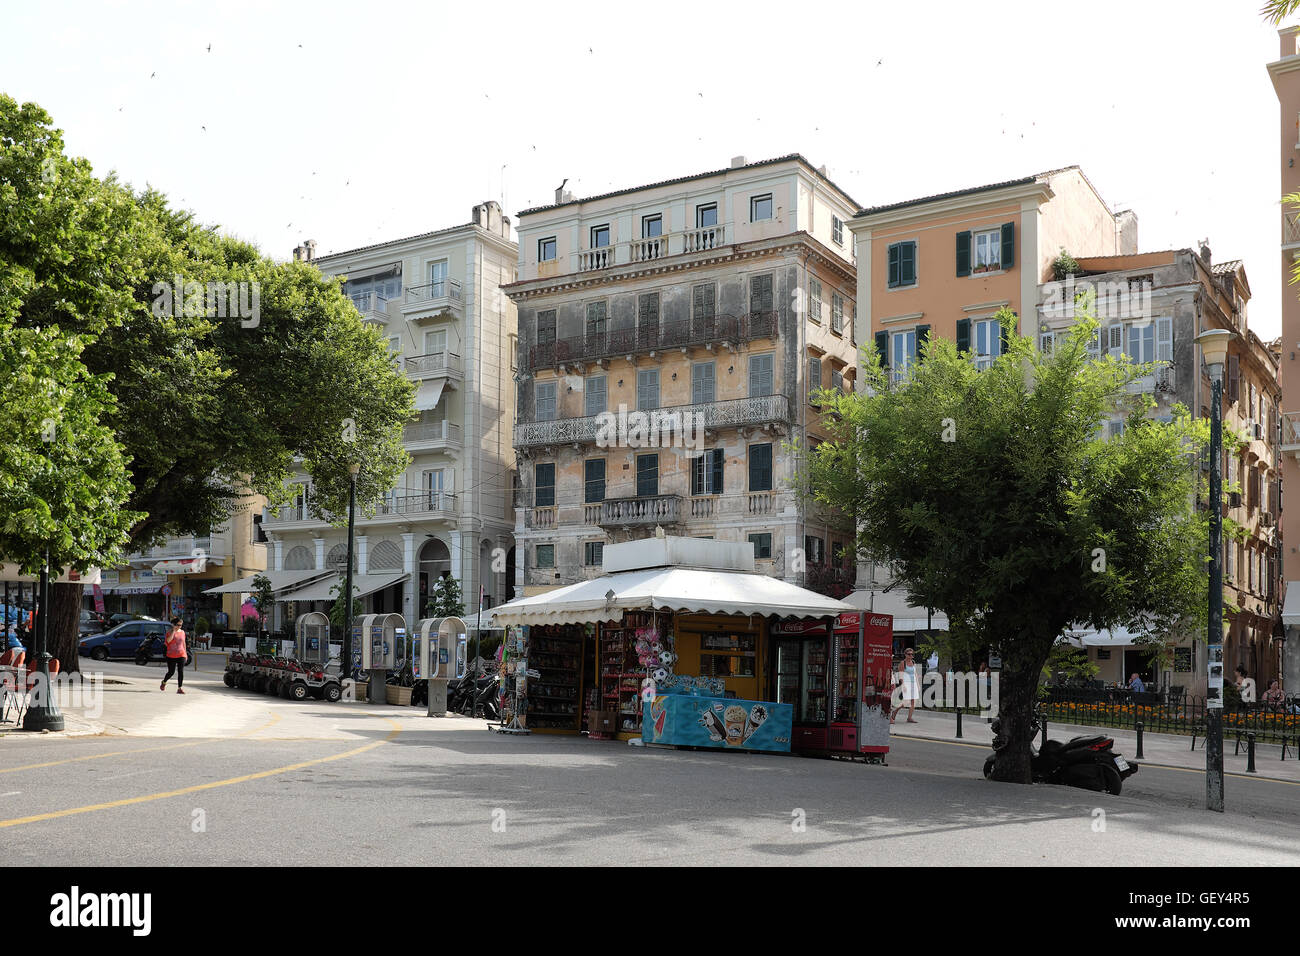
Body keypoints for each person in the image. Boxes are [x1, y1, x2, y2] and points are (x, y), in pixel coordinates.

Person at [890, 648, 920, 724]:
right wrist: (903, 685)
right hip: (906, 684)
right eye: (909, 654)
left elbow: (915, 673)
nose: (911, 656)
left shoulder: (913, 662)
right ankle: (894, 712)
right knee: (906, 702)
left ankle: (909, 718)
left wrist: (918, 684)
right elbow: (901, 675)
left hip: (914, 684)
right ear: (905, 654)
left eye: (912, 654)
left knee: (913, 701)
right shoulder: (902, 663)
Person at [160, 616, 188, 694]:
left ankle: (179, 688)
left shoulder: (182, 632)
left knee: (181, 671)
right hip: (171, 655)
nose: (180, 626)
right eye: (178, 625)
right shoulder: (169, 632)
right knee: (171, 672)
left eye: (181, 625)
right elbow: (168, 641)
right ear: (174, 624)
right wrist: (173, 630)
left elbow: (183, 643)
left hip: (181, 654)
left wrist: (185, 654)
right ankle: (164, 682)